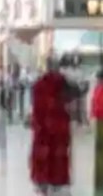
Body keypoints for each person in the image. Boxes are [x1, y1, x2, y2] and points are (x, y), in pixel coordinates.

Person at [29, 60, 76, 193]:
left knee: (42, 154)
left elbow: (36, 106)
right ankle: (58, 181)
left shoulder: (38, 85)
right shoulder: (63, 83)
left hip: (42, 127)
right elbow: (71, 98)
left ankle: (42, 180)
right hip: (59, 126)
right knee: (58, 155)